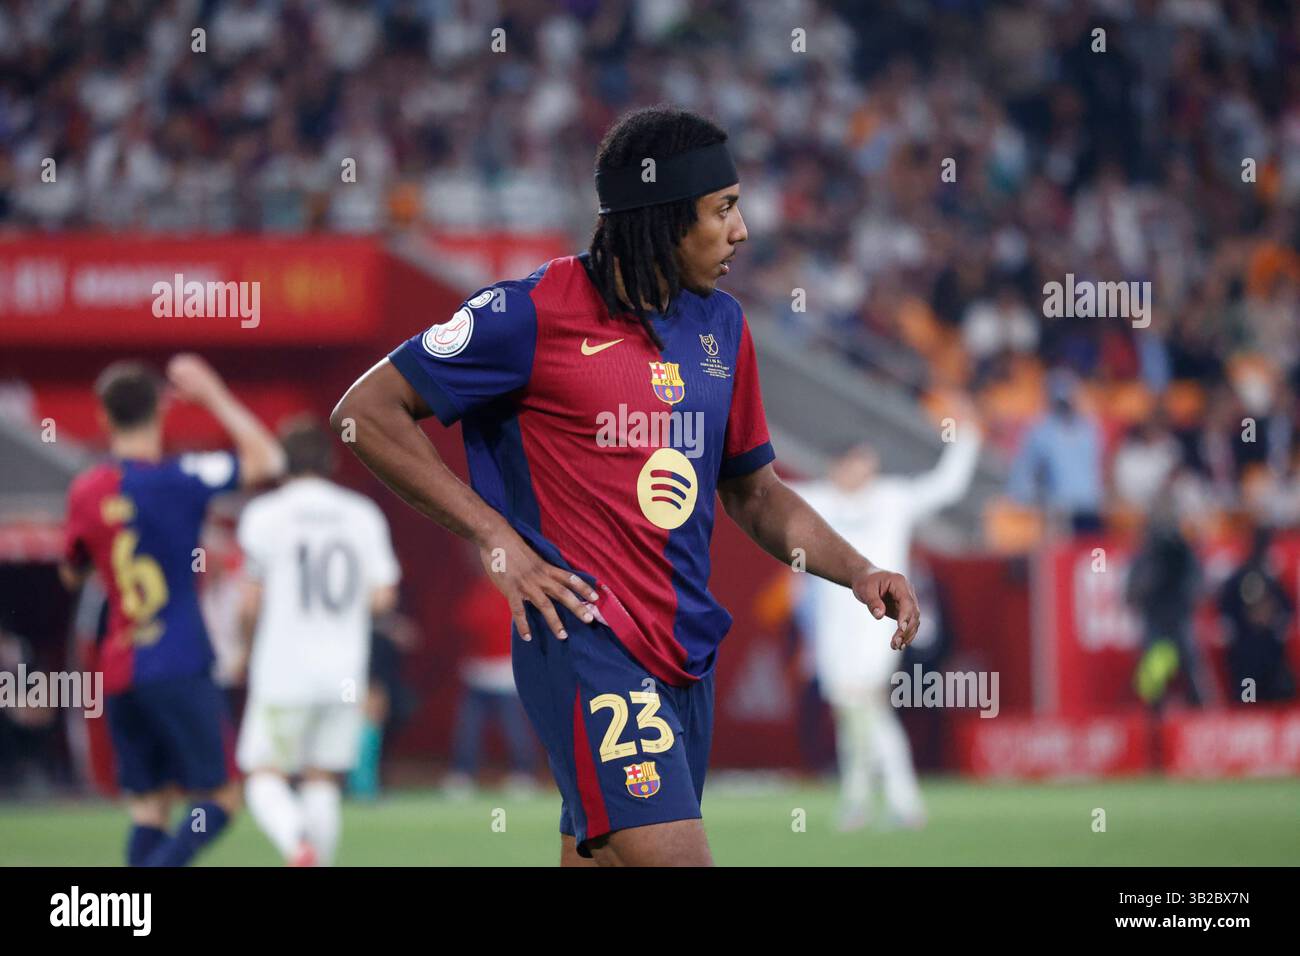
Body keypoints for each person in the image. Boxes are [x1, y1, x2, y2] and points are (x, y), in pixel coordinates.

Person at [331, 105, 920, 867]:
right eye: (723, 210)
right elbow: (365, 412)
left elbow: (755, 493)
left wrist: (859, 570)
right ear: (665, 219)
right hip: (585, 640)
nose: (741, 232)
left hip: (683, 650)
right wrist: (496, 536)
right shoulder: (527, 315)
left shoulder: (723, 328)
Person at [60, 355, 284, 866]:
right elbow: (268, 460)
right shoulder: (181, 476)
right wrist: (215, 395)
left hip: (119, 668)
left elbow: (72, 571)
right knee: (222, 800)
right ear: (161, 409)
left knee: (149, 807)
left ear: (102, 415)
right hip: (178, 660)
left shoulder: (86, 490)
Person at [793, 415, 981, 830]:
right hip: (833, 629)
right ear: (837, 466)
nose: (865, 469)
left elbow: (945, 486)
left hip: (879, 624)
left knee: (867, 705)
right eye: (857, 461)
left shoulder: (893, 499)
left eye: (868, 461)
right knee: (851, 713)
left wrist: (966, 437)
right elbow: (761, 493)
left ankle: (901, 800)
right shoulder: (818, 500)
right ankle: (863, 801)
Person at [235, 418, 401, 866]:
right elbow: (383, 597)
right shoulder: (361, 513)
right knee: (322, 780)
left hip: (283, 668)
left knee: (262, 775)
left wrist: (243, 652)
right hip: (343, 671)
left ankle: (295, 844)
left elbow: (250, 603)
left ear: (282, 464)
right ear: (329, 462)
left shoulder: (264, 514)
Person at [443, 573, 537, 796]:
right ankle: (462, 775)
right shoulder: (477, 590)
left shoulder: (512, 592)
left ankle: (523, 775)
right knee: (468, 730)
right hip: (477, 675)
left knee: (514, 729)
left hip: (505, 675)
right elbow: (463, 621)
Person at [1217, 525, 1296, 704]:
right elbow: (1227, 610)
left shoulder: (1270, 578)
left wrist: (1271, 617)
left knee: (1276, 693)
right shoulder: (1242, 577)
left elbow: (1288, 609)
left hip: (1268, 652)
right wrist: (1247, 619)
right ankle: (1251, 725)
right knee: (1249, 698)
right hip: (1247, 651)